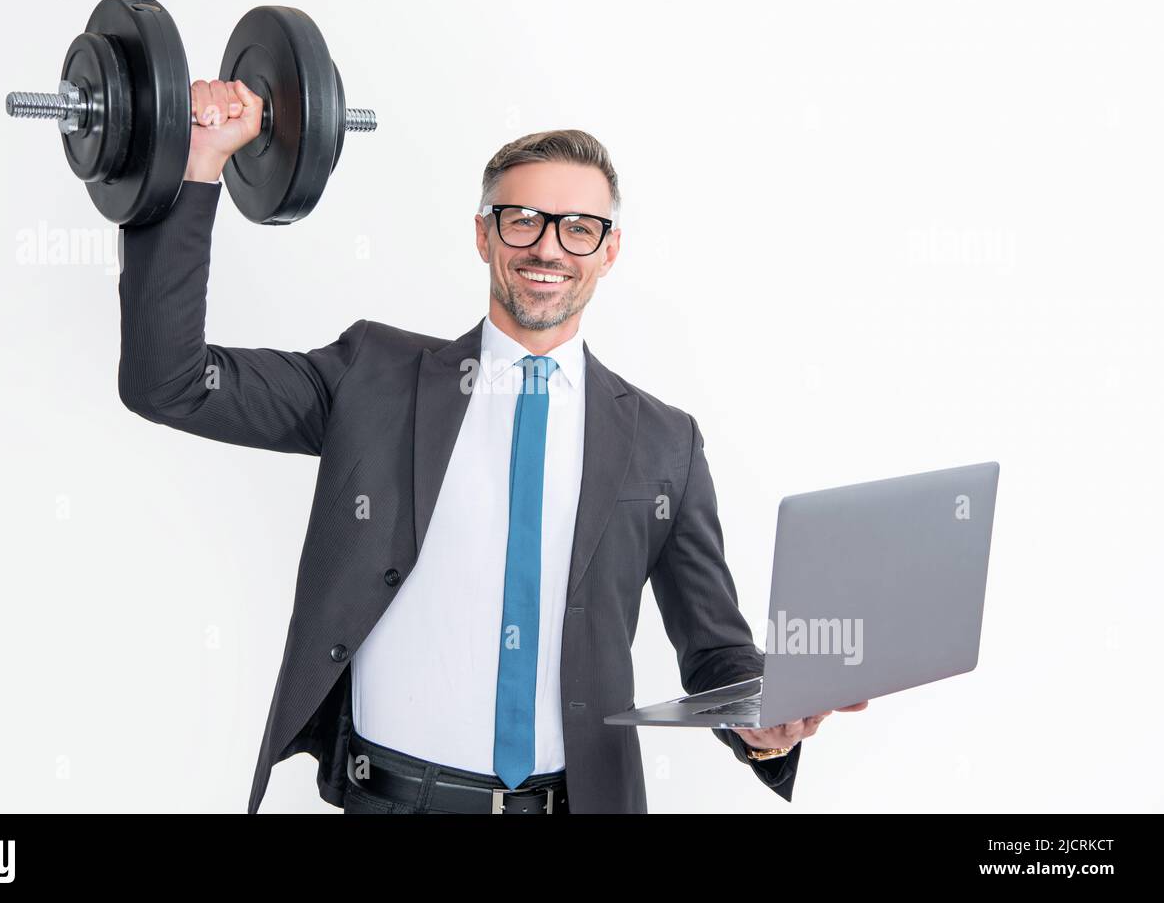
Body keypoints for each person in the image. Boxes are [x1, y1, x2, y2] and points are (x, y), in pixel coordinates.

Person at [116, 78, 865, 814]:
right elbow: (171, 382)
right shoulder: (372, 379)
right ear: (483, 234)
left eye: (579, 228)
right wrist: (199, 163)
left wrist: (763, 721)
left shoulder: (666, 442)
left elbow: (716, 654)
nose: (548, 248)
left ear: (608, 252)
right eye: (522, 221)